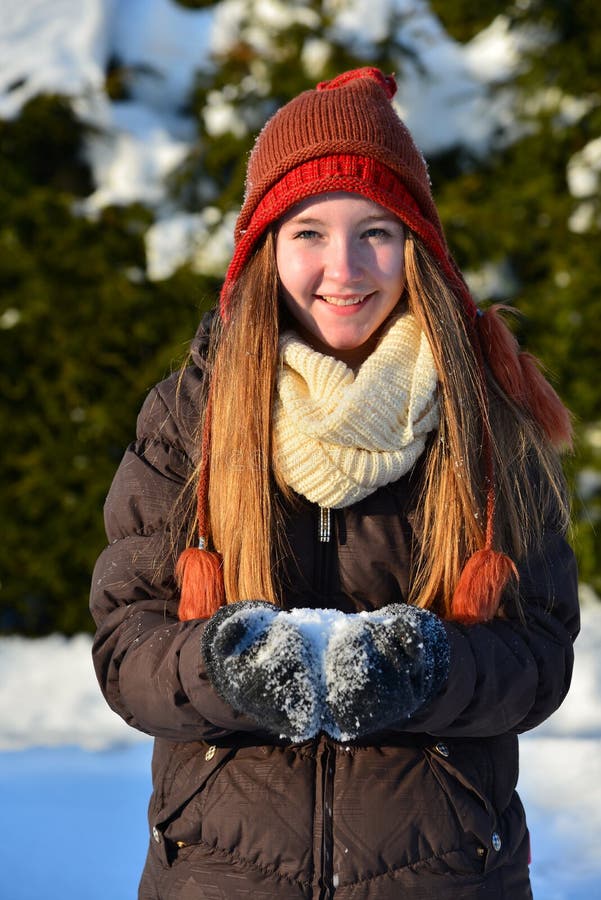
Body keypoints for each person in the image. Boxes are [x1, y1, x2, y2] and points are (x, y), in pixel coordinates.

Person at [90, 67, 579, 899]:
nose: (342, 268)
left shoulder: (488, 422)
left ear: (415, 246)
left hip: (445, 879)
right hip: (221, 880)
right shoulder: (190, 415)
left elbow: (537, 654)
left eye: (374, 232)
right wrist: (223, 667)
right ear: (264, 249)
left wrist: (426, 668)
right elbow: (125, 644)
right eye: (308, 231)